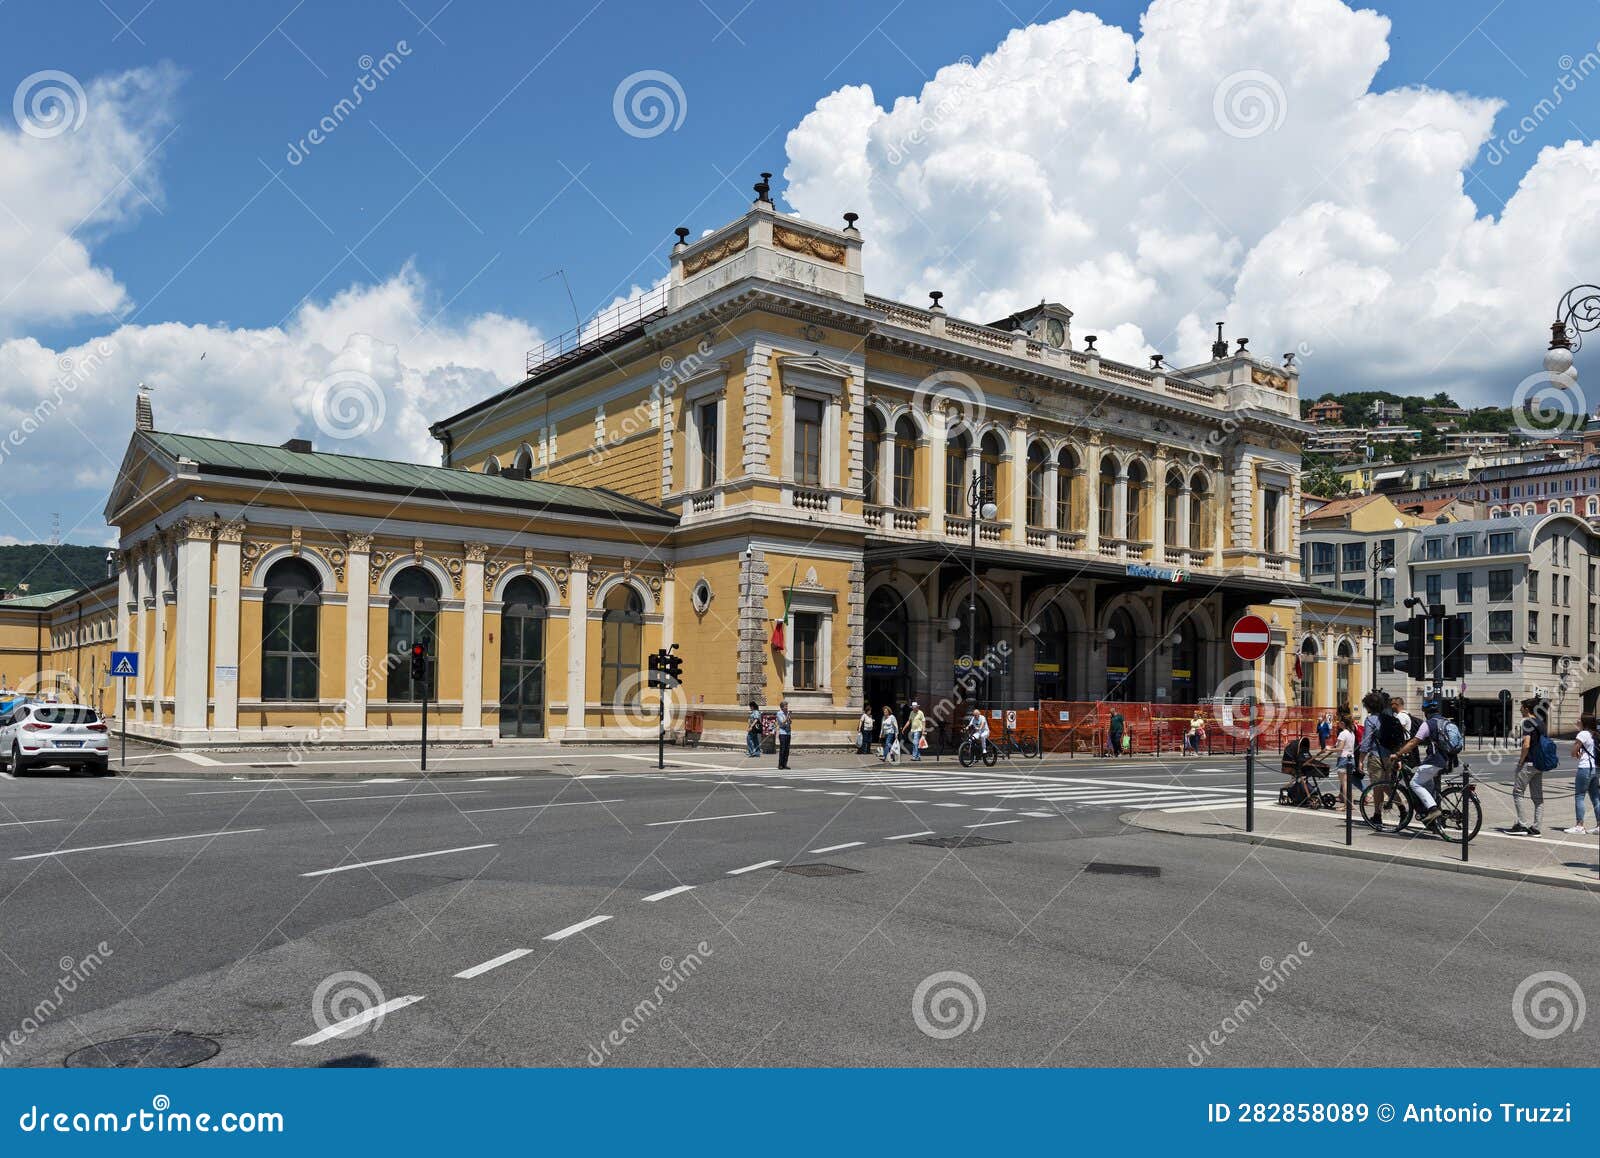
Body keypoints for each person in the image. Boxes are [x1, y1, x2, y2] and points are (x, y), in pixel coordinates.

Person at [1391, 695, 1461, 828]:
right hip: (1449, 760)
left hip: (1436, 761)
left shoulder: (1428, 724)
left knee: (1414, 783)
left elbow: (1413, 742)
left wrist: (1398, 753)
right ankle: (1433, 820)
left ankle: (1434, 809)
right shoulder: (1446, 721)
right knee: (1427, 785)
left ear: (1426, 712)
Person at [1509, 696, 1550, 836]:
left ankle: (1522, 824)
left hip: (1528, 763)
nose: (1520, 709)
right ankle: (1536, 828)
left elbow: (1526, 744)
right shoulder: (1541, 723)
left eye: (1521, 707)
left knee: (1517, 793)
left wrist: (1521, 761)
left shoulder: (1528, 723)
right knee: (1538, 798)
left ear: (1526, 709)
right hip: (1539, 764)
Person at [1567, 713, 1599, 834]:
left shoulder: (1583, 734)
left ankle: (1579, 826)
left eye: (1579, 719)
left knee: (1579, 796)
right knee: (1596, 798)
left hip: (1584, 768)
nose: (1577, 720)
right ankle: (1599, 825)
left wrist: (1577, 754)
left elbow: (1573, 752)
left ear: (1584, 722)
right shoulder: (1594, 734)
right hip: (1595, 769)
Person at [1334, 709, 1358, 806]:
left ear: (1343, 723)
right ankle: (1350, 804)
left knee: (1344, 784)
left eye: (1339, 721)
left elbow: (1340, 748)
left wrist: (1328, 749)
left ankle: (1347, 805)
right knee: (1348, 783)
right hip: (1351, 758)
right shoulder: (1351, 733)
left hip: (1343, 759)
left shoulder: (1343, 733)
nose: (1338, 723)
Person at [775, 699, 792, 770]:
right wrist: (787, 716)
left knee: (787, 749)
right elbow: (782, 722)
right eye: (785, 706)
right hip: (782, 733)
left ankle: (785, 764)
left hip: (788, 732)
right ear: (782, 707)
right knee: (783, 748)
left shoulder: (786, 713)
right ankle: (780, 764)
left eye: (787, 706)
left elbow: (790, 722)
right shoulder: (779, 713)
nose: (787, 707)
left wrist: (789, 718)